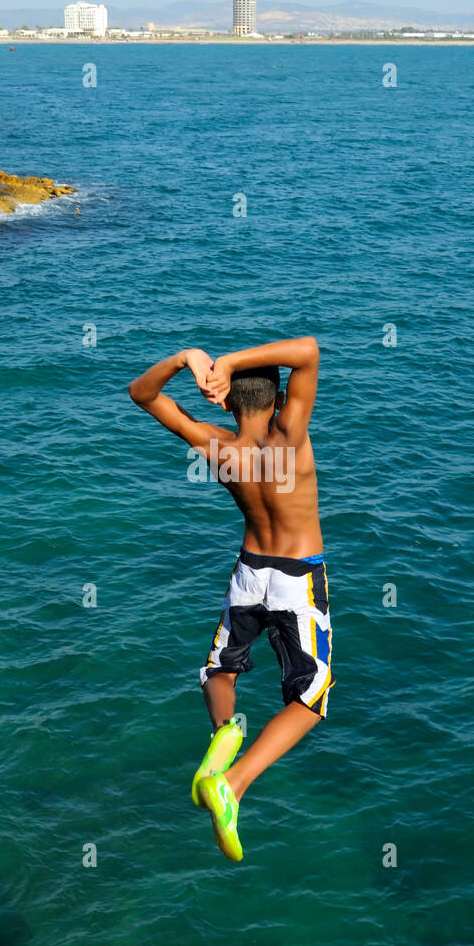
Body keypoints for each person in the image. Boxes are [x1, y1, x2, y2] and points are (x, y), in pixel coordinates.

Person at [128, 338, 333, 862]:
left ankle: (224, 735)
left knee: (221, 670)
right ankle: (233, 784)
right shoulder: (291, 437)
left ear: (226, 403)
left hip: (248, 571)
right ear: (282, 397)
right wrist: (234, 364)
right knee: (311, 697)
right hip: (295, 578)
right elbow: (308, 349)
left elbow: (142, 394)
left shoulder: (218, 446)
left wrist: (186, 359)